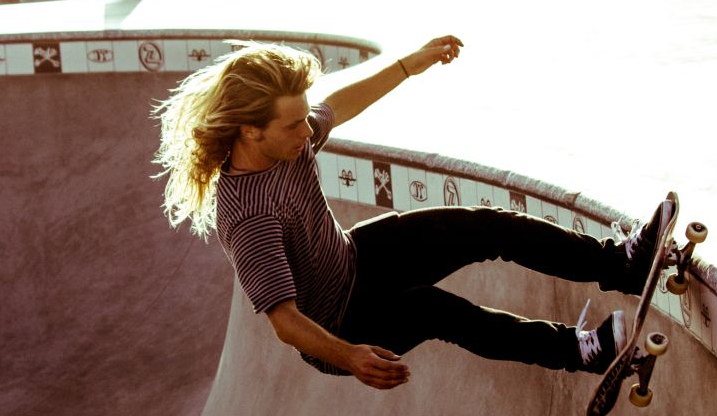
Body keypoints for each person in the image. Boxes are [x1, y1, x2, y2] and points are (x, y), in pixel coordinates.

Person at [153, 36, 668, 390]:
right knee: (439, 311)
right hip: (342, 324)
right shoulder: (248, 215)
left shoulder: (289, 136)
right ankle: (581, 352)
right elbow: (284, 322)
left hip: (355, 259)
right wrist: (350, 356)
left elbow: (341, 103)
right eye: (293, 126)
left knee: (481, 227)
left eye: (303, 121)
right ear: (249, 130)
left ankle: (619, 263)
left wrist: (408, 65)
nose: (308, 134)